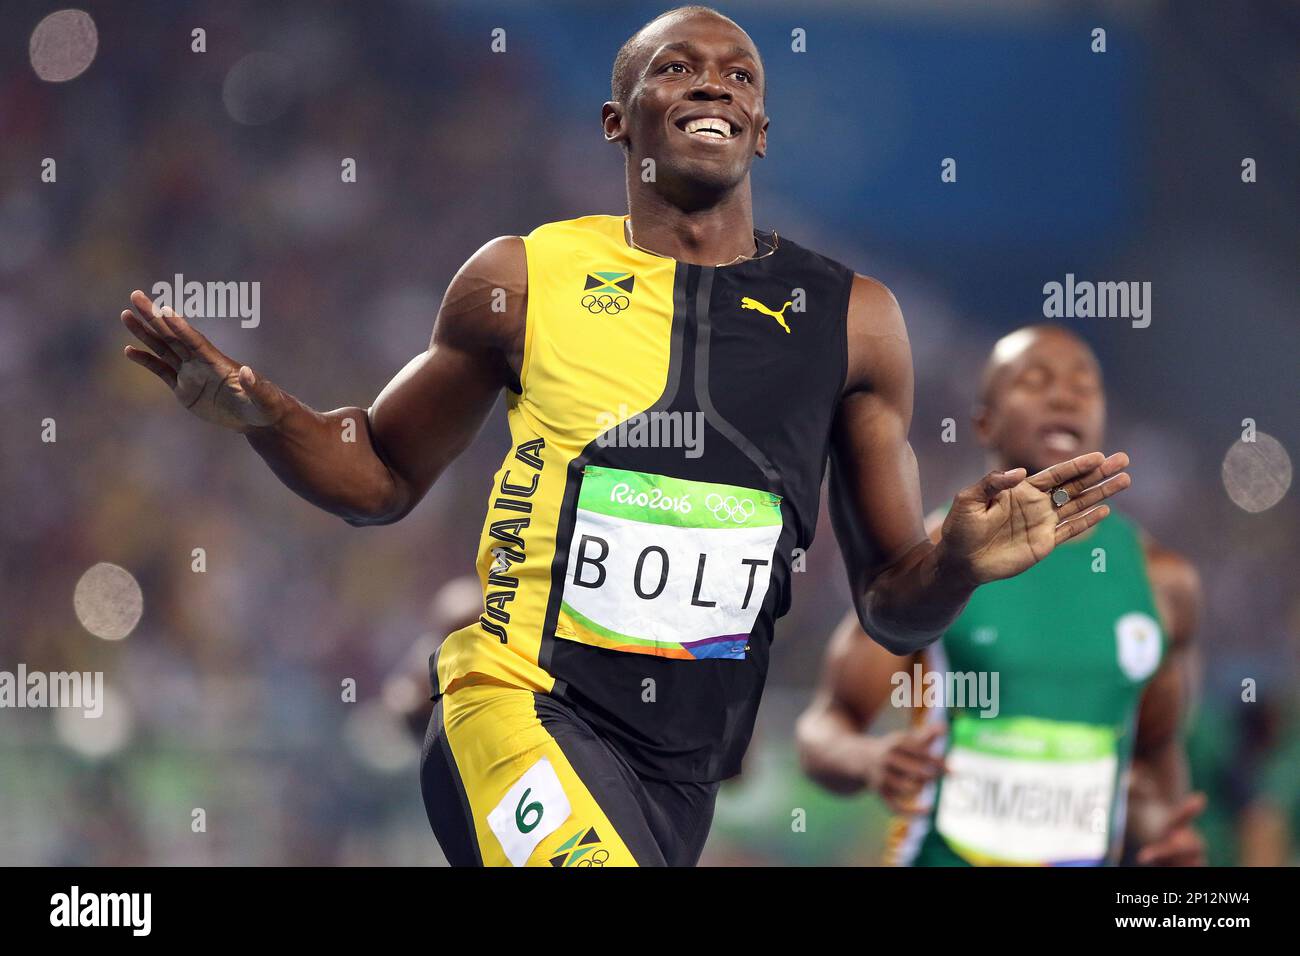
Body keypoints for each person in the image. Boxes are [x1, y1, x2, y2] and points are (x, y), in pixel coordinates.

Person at [119, 8, 1130, 867]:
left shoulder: (854, 319)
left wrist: (953, 563)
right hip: (515, 702)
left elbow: (890, 609)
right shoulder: (520, 280)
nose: (713, 85)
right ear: (618, 120)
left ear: (762, 128)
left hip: (680, 773)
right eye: (676, 69)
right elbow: (379, 472)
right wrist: (263, 412)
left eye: (740, 75)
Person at [797, 325, 1204, 866]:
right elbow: (825, 725)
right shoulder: (930, 563)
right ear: (984, 421)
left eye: (1084, 386)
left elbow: (1152, 761)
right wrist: (869, 760)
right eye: (1034, 381)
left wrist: (1161, 839)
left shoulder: (1162, 581)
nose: (1064, 395)